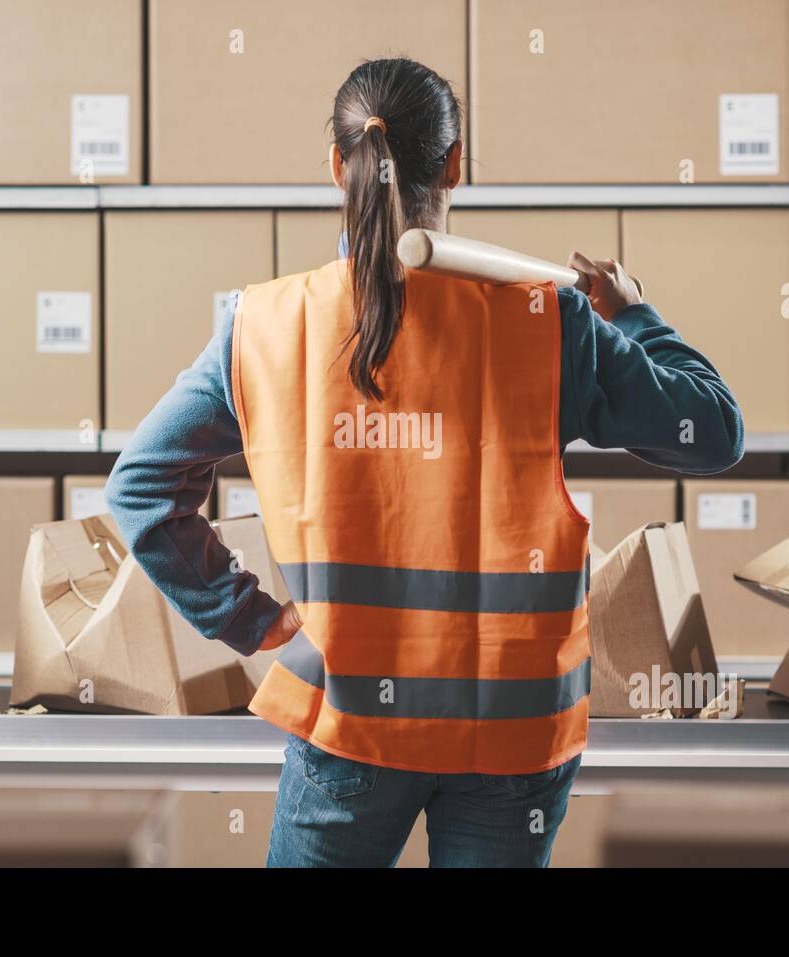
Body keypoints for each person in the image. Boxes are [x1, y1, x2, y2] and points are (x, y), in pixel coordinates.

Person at [106, 57, 743, 868]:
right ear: (455, 163)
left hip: (353, 721)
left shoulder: (262, 327)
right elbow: (714, 429)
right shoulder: (556, 325)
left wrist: (251, 620)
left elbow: (139, 489)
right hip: (512, 735)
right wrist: (639, 316)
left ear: (338, 166)